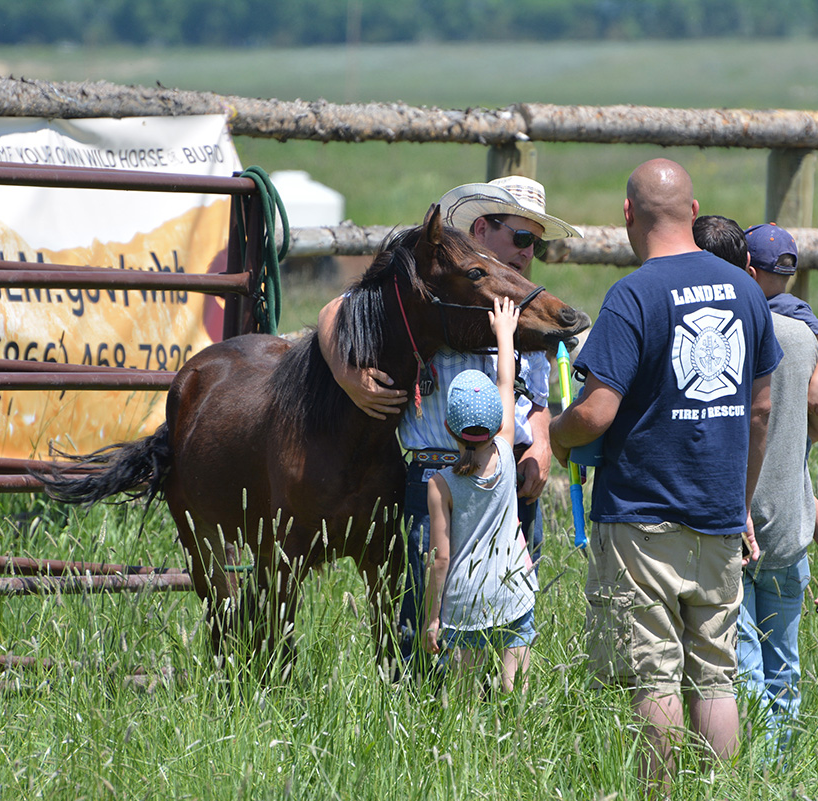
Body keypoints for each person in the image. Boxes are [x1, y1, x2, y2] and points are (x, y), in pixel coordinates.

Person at [549, 160, 780, 794]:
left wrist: (557, 432)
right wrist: (741, 498)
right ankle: (724, 790)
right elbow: (761, 408)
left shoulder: (634, 295)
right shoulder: (745, 291)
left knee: (653, 675)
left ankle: (659, 792)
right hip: (718, 513)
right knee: (715, 673)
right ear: (694, 207)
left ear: (629, 215)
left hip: (643, 515)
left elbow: (597, 412)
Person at [316, 175, 579, 667]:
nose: (528, 253)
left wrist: (540, 444)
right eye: (521, 238)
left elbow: (538, 397)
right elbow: (339, 307)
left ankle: (496, 722)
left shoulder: (518, 301)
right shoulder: (438, 284)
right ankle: (423, 712)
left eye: (536, 245)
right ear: (482, 226)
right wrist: (345, 373)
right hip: (437, 477)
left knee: (508, 609)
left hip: (508, 477)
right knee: (425, 610)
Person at [694, 215, 818, 756]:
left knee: (740, 664)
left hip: (740, 523)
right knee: (783, 665)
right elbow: (815, 413)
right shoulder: (803, 336)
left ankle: (754, 771)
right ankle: (783, 765)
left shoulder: (727, 337)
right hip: (791, 524)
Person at [735, 221, 818, 613]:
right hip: (792, 425)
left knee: (801, 494)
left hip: (782, 424)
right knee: (802, 493)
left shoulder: (784, 312)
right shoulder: (789, 308)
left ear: (748, 270)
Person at [421, 298, 538, 693]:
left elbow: (441, 559)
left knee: (464, 706)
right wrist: (504, 333)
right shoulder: (506, 449)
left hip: (464, 602)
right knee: (516, 695)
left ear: (448, 428)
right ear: (496, 423)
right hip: (513, 590)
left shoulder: (440, 484)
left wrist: (431, 620)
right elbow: (507, 381)